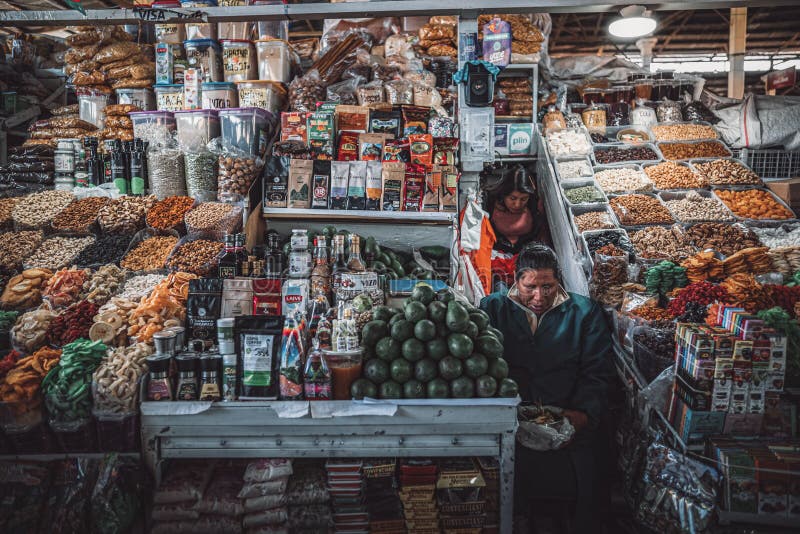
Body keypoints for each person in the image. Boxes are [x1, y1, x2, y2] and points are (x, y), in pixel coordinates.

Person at [479, 243, 613, 534]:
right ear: (516, 281)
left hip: (566, 416)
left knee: (581, 491)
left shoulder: (584, 312)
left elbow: (597, 371)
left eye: (548, 286)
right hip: (510, 419)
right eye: (530, 287)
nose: (539, 297)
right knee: (510, 494)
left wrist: (582, 414)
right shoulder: (492, 308)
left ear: (559, 282)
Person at [486, 165, 549, 292]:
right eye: (512, 198)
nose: (517, 204)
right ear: (504, 195)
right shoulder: (490, 203)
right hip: (497, 259)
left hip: (525, 258)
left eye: (523, 199)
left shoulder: (535, 206)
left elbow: (542, 234)